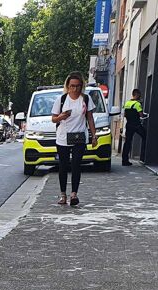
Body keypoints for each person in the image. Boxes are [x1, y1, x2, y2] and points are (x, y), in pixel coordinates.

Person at [51, 72, 96, 207]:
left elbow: (90, 118)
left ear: (81, 86)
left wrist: (94, 135)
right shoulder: (62, 99)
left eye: (77, 86)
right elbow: (53, 119)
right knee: (63, 166)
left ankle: (74, 194)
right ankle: (63, 194)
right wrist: (61, 117)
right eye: (72, 86)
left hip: (79, 136)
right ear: (67, 86)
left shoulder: (86, 99)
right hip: (63, 137)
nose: (74, 89)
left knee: (76, 165)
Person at [122, 89, 147, 166]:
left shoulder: (126, 103)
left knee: (127, 142)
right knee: (145, 136)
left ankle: (124, 161)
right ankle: (143, 157)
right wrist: (146, 115)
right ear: (136, 95)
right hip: (136, 125)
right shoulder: (137, 104)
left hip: (129, 124)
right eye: (139, 95)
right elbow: (141, 115)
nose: (140, 97)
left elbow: (125, 115)